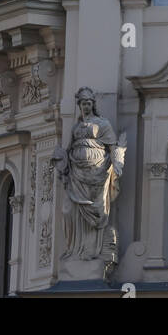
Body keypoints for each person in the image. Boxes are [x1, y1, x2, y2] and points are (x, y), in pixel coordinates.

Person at [53, 87, 126, 266]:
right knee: (68, 211)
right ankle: (73, 249)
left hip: (97, 173)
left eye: (88, 103)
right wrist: (60, 157)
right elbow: (69, 148)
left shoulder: (103, 124)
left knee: (97, 211)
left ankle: (92, 251)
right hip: (76, 174)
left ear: (93, 104)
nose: (85, 106)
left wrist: (117, 163)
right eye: (83, 103)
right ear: (79, 105)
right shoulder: (76, 127)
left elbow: (113, 146)